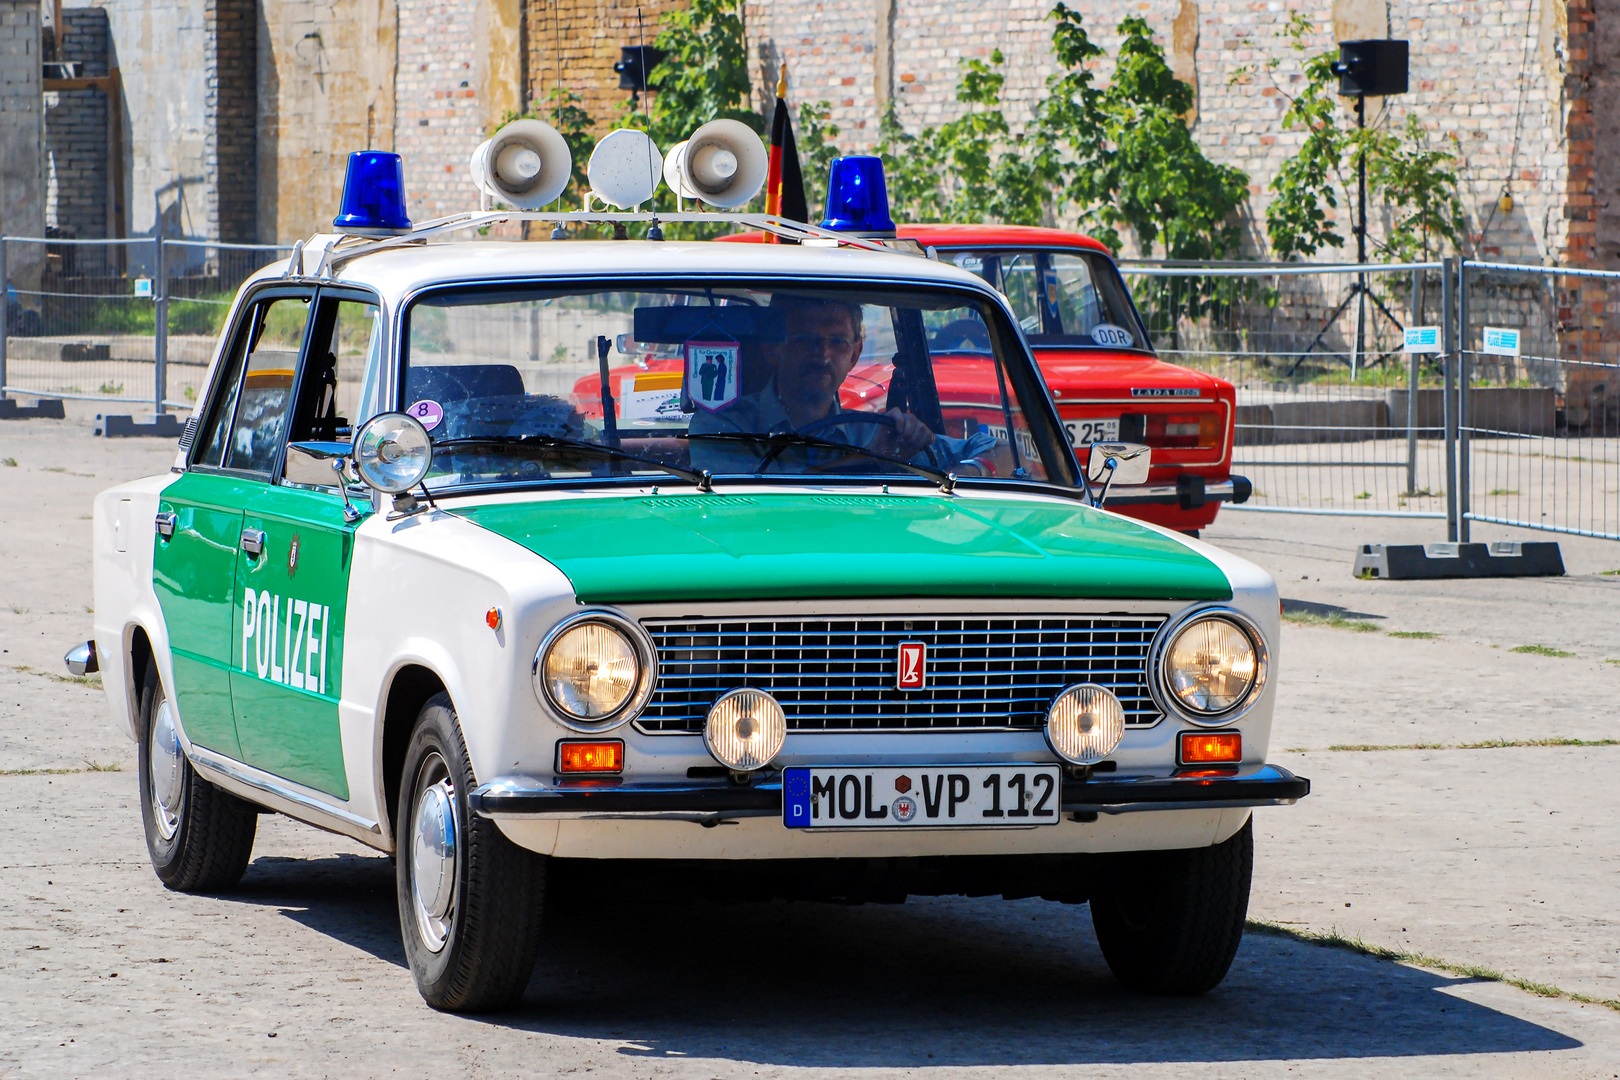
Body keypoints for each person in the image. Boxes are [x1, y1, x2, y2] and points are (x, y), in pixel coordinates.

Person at [688, 295, 996, 474]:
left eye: (837, 341)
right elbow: (748, 504)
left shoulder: (875, 432)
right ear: (772, 348)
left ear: (855, 354)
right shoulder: (723, 426)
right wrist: (872, 460)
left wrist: (960, 475)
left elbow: (998, 450)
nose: (822, 354)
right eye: (805, 340)